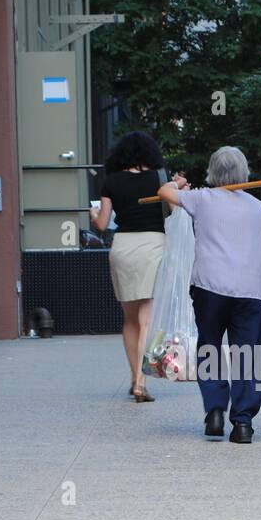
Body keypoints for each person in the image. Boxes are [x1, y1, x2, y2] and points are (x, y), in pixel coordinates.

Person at [157, 146, 261, 444]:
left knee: (210, 348)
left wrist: (178, 184)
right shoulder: (259, 208)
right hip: (250, 291)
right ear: (243, 172)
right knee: (247, 355)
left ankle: (216, 410)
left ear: (213, 172)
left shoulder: (202, 199)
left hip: (209, 287)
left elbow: (164, 192)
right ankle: (242, 423)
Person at [92, 131, 178, 402]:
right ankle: (141, 381)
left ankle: (134, 378)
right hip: (153, 245)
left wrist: (93, 214)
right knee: (146, 318)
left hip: (123, 248)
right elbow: (175, 213)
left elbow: (103, 225)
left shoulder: (111, 182)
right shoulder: (159, 177)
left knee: (129, 319)